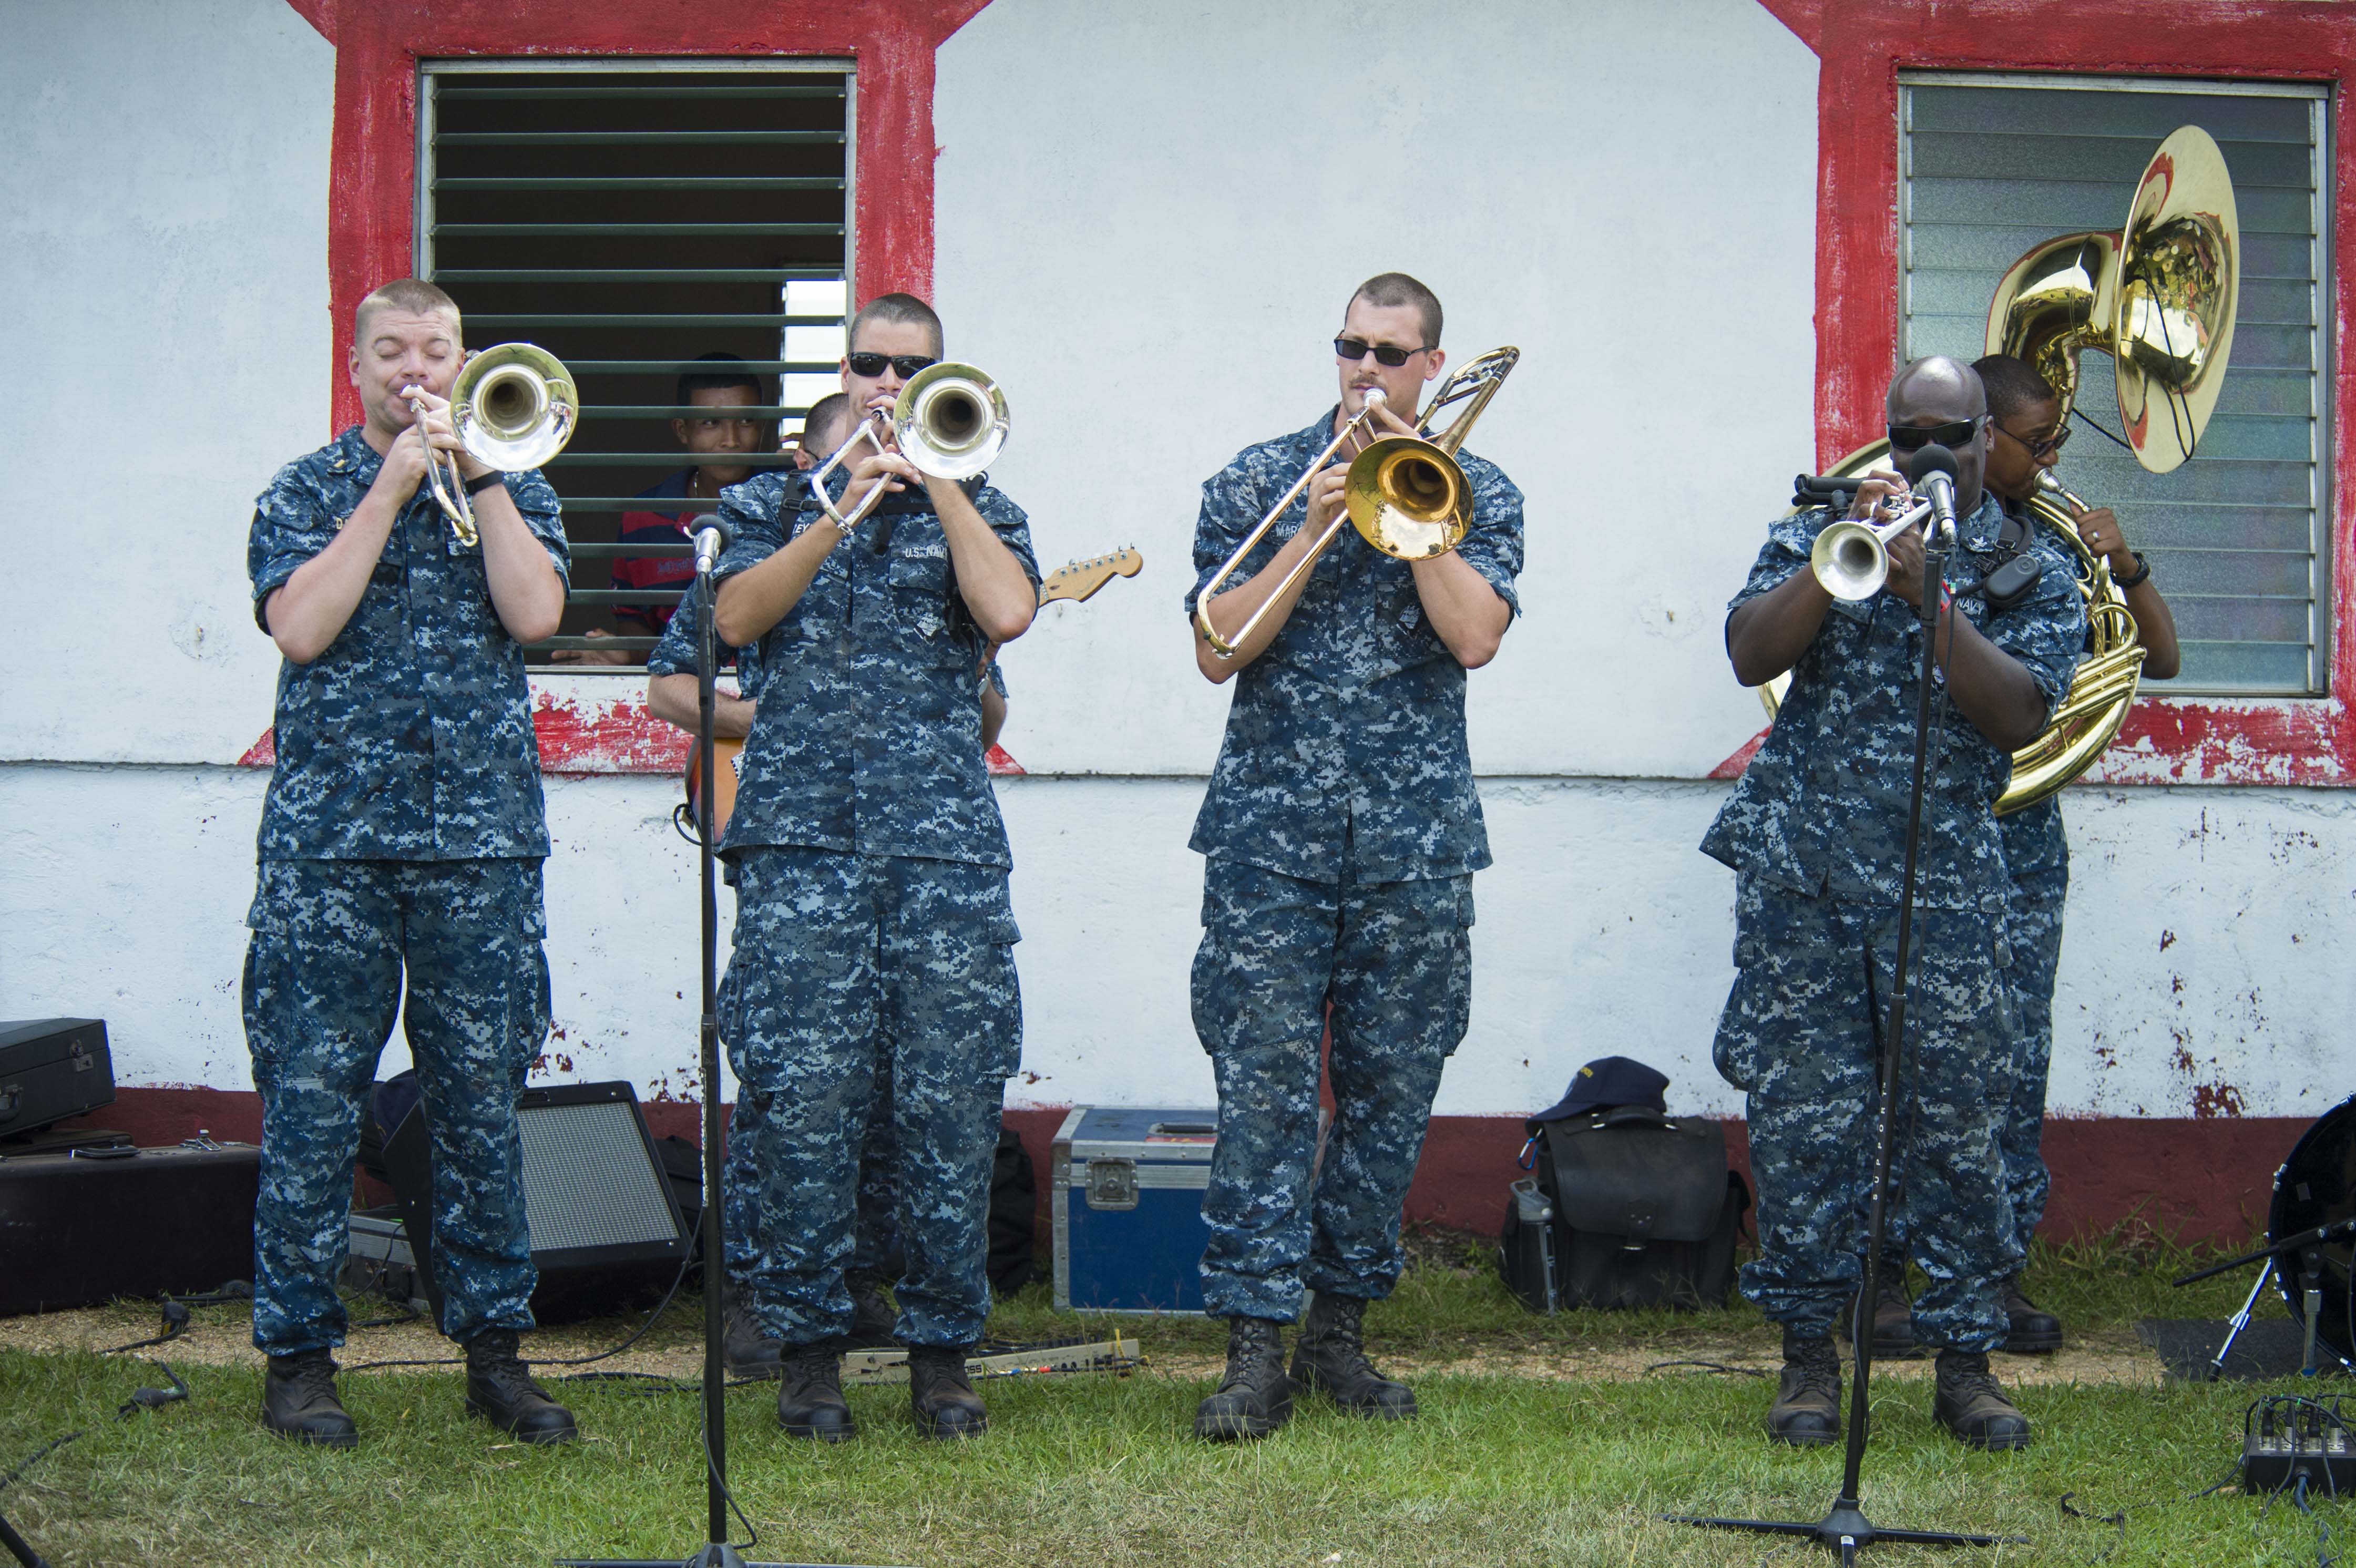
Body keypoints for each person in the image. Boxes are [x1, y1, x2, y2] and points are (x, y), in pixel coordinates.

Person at [1706, 356, 2086, 1452]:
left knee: (1960, 1128)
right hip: (1809, 880)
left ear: (1982, 442)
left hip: (1953, 882)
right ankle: (1808, 1364)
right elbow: (1747, 653)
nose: (1927, 455)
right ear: (1885, 433)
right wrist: (1835, 571)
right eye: (1907, 433)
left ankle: (1965, 1367)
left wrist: (1931, 602)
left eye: (1950, 435)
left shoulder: (2029, 569)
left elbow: (2021, 715)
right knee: (1803, 1127)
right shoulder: (1815, 531)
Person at [1183, 272, 1523, 1440]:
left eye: (1390, 351)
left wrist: (1411, 515)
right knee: (1264, 1094)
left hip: (1413, 844)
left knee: (1391, 1094)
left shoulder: (1481, 491)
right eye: (1349, 347)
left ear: (1434, 365)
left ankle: (1341, 1337)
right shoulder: (1256, 479)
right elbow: (1218, 645)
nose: (1364, 369)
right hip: (1270, 845)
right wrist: (1321, 520)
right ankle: (1251, 1352)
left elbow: (1475, 635)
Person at [241, 277, 578, 1449]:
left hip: (478, 849)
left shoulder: (513, 483)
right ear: (358, 365)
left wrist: (476, 477)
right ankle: (299, 1358)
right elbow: (301, 626)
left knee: (481, 1108)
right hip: (332, 851)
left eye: (439, 350)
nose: (418, 370)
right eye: (395, 350)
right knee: (313, 1105)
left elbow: (537, 617)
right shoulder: (304, 490)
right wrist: (389, 488)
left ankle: (497, 1354)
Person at [708, 292, 1039, 1441]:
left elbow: (1008, 609)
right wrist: (839, 513)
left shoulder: (987, 506)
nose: (888, 382)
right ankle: (809, 1356)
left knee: (949, 1106)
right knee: (804, 1104)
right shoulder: (763, 501)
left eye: (912, 367)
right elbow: (736, 623)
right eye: (870, 363)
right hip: (802, 849)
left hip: (941, 853)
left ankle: (942, 1355)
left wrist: (939, 482)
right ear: (842, 373)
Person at [556, 351, 766, 665]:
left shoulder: (787, 510)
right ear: (682, 430)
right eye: (711, 423)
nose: (731, 440)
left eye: (746, 421)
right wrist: (622, 652)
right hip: (675, 697)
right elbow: (638, 628)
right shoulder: (642, 518)